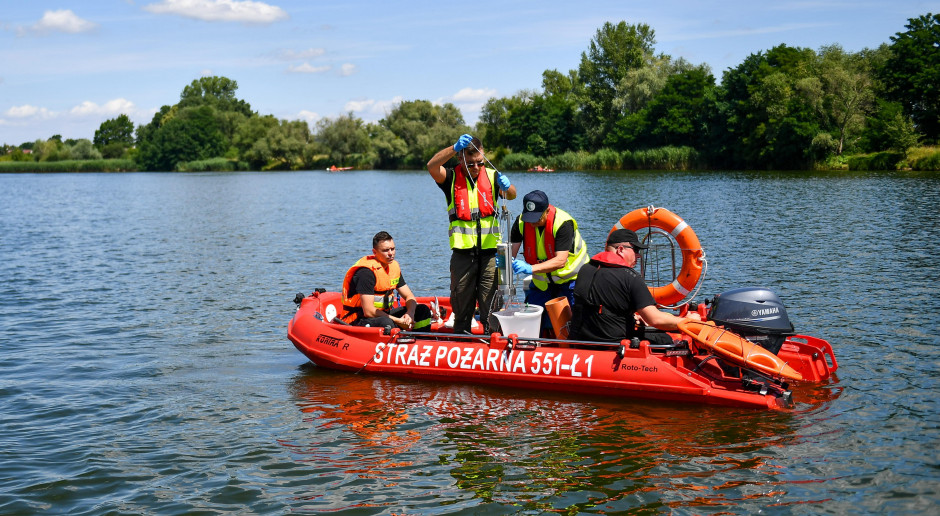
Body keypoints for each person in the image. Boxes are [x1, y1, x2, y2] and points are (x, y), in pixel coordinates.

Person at [427, 134, 517, 333]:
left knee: (491, 307)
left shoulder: (492, 177)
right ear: (460, 159)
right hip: (462, 255)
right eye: (471, 164)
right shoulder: (450, 177)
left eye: (480, 163)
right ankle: (461, 341)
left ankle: (492, 344)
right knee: (461, 307)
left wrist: (507, 186)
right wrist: (453, 147)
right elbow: (432, 166)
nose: (476, 168)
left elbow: (511, 195)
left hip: (490, 255)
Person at [568, 228, 695, 342]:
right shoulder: (630, 277)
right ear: (621, 249)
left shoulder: (585, 269)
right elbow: (655, 320)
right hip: (613, 343)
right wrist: (689, 321)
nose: (639, 255)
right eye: (636, 249)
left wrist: (632, 315)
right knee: (665, 339)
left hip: (581, 340)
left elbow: (603, 305)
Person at [508, 190, 589, 327]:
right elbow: (511, 252)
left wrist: (529, 268)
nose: (532, 223)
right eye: (530, 218)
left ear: (547, 211)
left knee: (574, 323)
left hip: (570, 281)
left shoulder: (563, 223)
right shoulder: (521, 222)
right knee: (532, 320)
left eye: (537, 219)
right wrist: (505, 260)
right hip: (542, 283)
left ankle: (573, 346)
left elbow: (560, 260)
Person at [340, 231, 432, 330]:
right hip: (358, 319)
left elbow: (409, 296)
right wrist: (399, 321)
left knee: (422, 310)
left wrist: (410, 314)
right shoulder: (366, 273)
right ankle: (396, 340)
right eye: (385, 250)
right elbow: (369, 311)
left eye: (392, 249)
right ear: (374, 252)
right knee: (386, 322)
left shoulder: (393, 267)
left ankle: (421, 338)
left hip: (383, 314)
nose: (390, 254)